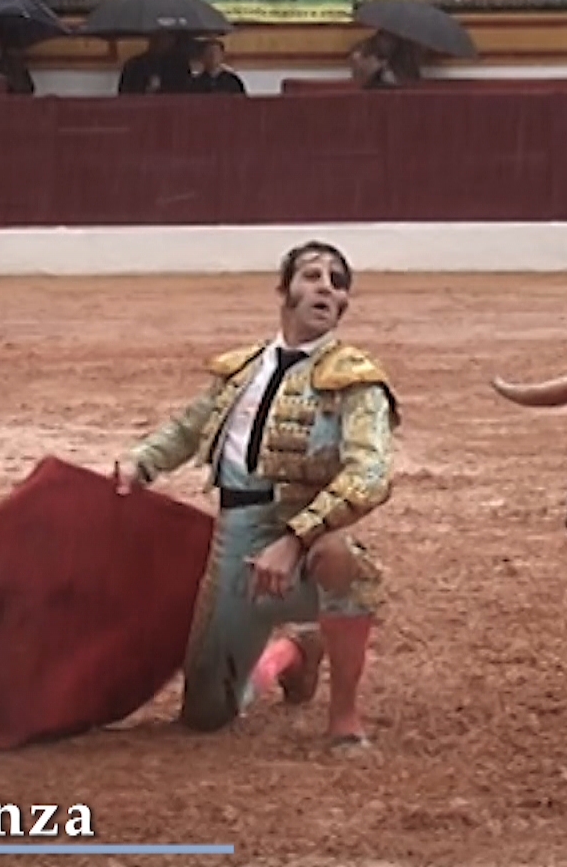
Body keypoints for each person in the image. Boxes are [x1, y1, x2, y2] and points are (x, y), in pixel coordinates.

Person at [116, 241, 400, 752]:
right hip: (235, 541)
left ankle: (344, 720)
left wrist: (295, 538)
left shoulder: (357, 381)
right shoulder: (242, 369)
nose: (325, 288)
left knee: (341, 561)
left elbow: (371, 473)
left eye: (337, 283)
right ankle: (295, 650)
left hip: (305, 541)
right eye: (312, 276)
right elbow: (188, 428)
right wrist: (141, 462)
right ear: (284, 290)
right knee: (207, 715)